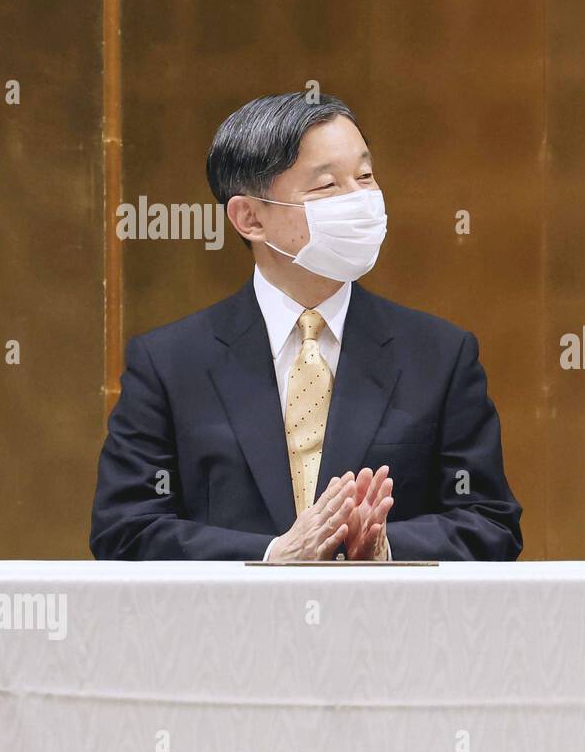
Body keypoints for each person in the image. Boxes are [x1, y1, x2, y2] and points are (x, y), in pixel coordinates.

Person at [91, 92, 522, 562]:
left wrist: (387, 547)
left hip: (384, 627)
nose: (361, 201)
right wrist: (273, 554)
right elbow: (125, 531)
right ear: (249, 217)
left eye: (365, 176)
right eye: (327, 186)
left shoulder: (439, 355)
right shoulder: (169, 364)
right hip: (227, 629)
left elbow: (489, 522)